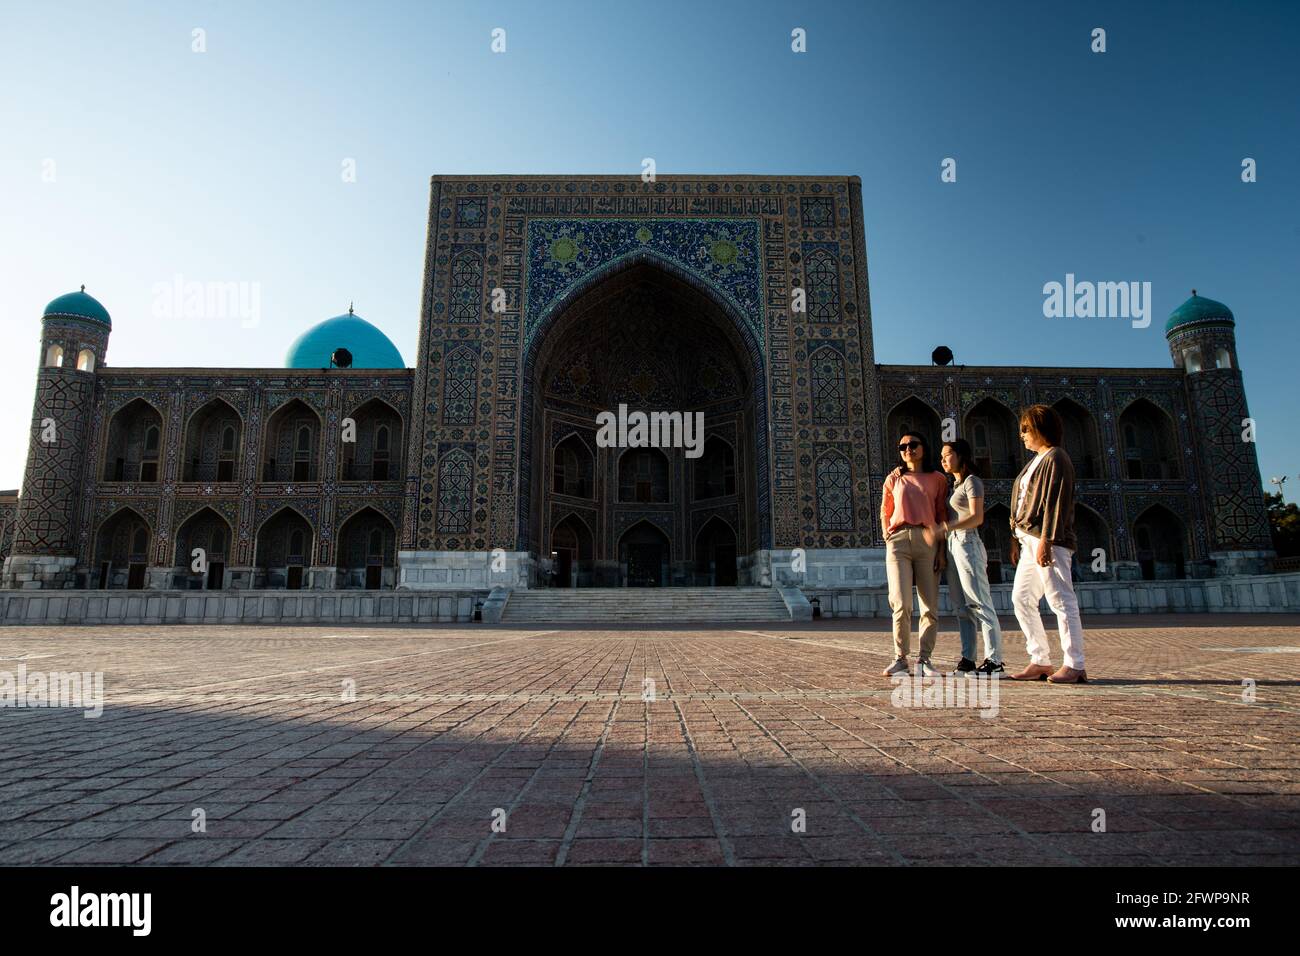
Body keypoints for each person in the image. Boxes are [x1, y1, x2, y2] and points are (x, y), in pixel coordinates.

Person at [1006, 404, 1088, 684]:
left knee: (1060, 599)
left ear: (1042, 428)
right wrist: (1017, 537)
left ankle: (1075, 664)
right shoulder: (1037, 460)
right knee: (1022, 598)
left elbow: (1056, 504)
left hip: (1048, 539)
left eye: (1026, 429)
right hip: (1029, 539)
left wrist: (1047, 540)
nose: (1022, 435)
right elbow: (1023, 502)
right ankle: (1040, 660)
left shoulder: (1056, 458)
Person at [924, 439, 1005, 676]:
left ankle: (995, 661)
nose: (943, 460)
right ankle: (968, 658)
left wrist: (945, 528)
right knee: (962, 607)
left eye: (947, 455)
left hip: (967, 542)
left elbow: (977, 517)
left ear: (961, 456)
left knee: (979, 603)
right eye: (941, 456)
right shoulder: (955, 486)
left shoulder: (973, 482)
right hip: (953, 545)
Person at [880, 430, 949, 678]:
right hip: (898, 540)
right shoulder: (893, 478)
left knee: (929, 605)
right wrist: (887, 535)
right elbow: (885, 510)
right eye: (903, 447)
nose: (908, 449)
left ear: (923, 447)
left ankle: (925, 659)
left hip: (927, 540)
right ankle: (900, 658)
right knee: (900, 602)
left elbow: (942, 514)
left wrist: (941, 551)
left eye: (913, 444)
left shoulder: (937, 479)